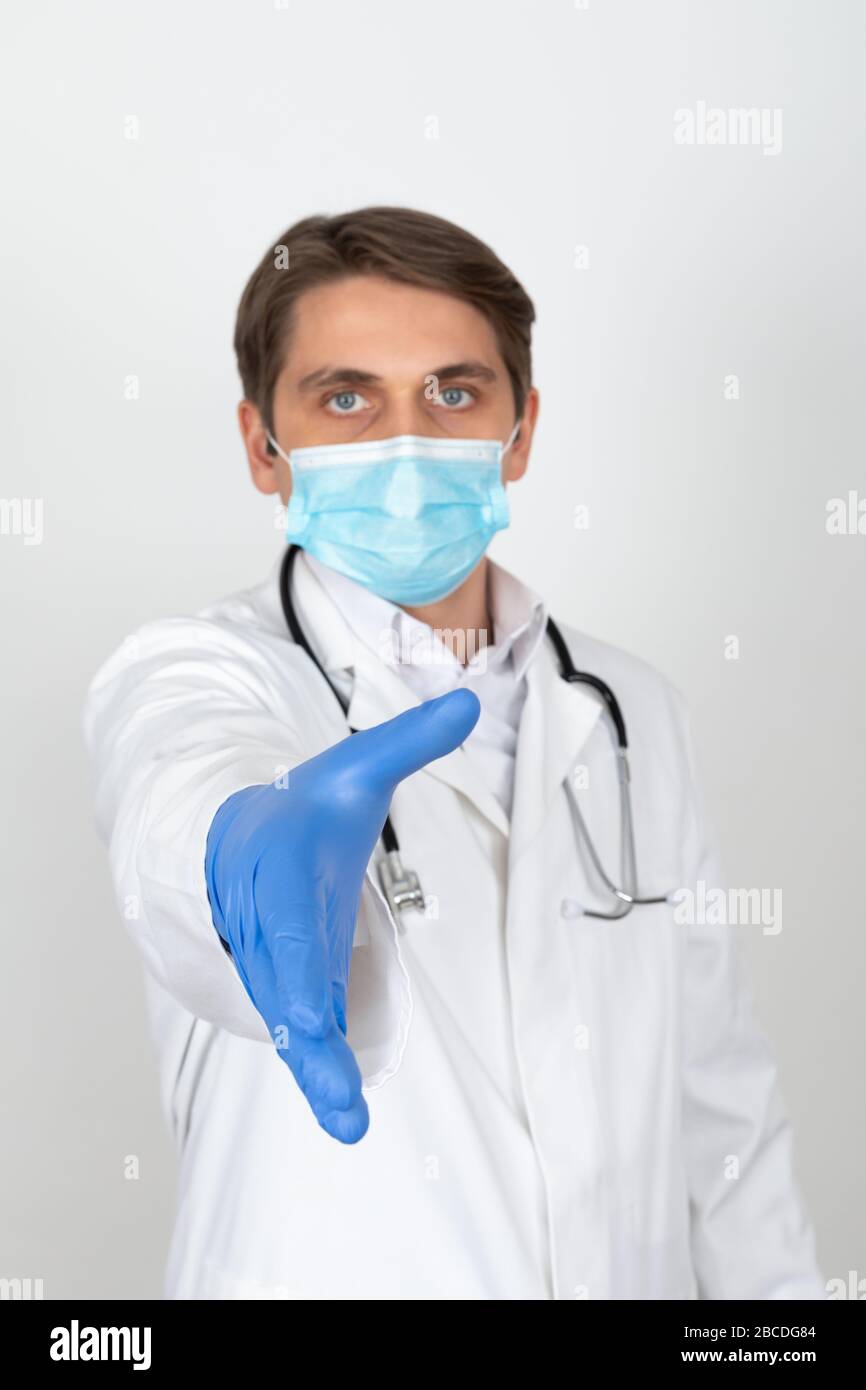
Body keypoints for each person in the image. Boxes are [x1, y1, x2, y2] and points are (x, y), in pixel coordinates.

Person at [82, 205, 824, 1300]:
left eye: (453, 391)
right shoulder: (205, 669)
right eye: (346, 397)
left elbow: (720, 1107)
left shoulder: (630, 710)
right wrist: (232, 851)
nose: (406, 441)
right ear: (262, 448)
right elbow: (179, 773)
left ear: (519, 434)